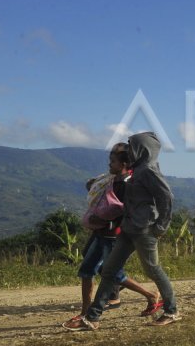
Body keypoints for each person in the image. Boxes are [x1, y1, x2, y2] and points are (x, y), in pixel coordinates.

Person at [66, 131, 180, 329]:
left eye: (132, 145)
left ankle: (172, 311)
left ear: (142, 149)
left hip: (144, 230)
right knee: (109, 270)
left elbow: (166, 197)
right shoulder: (137, 170)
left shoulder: (148, 171)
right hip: (128, 229)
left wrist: (161, 226)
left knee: (153, 269)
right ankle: (92, 318)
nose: (129, 149)